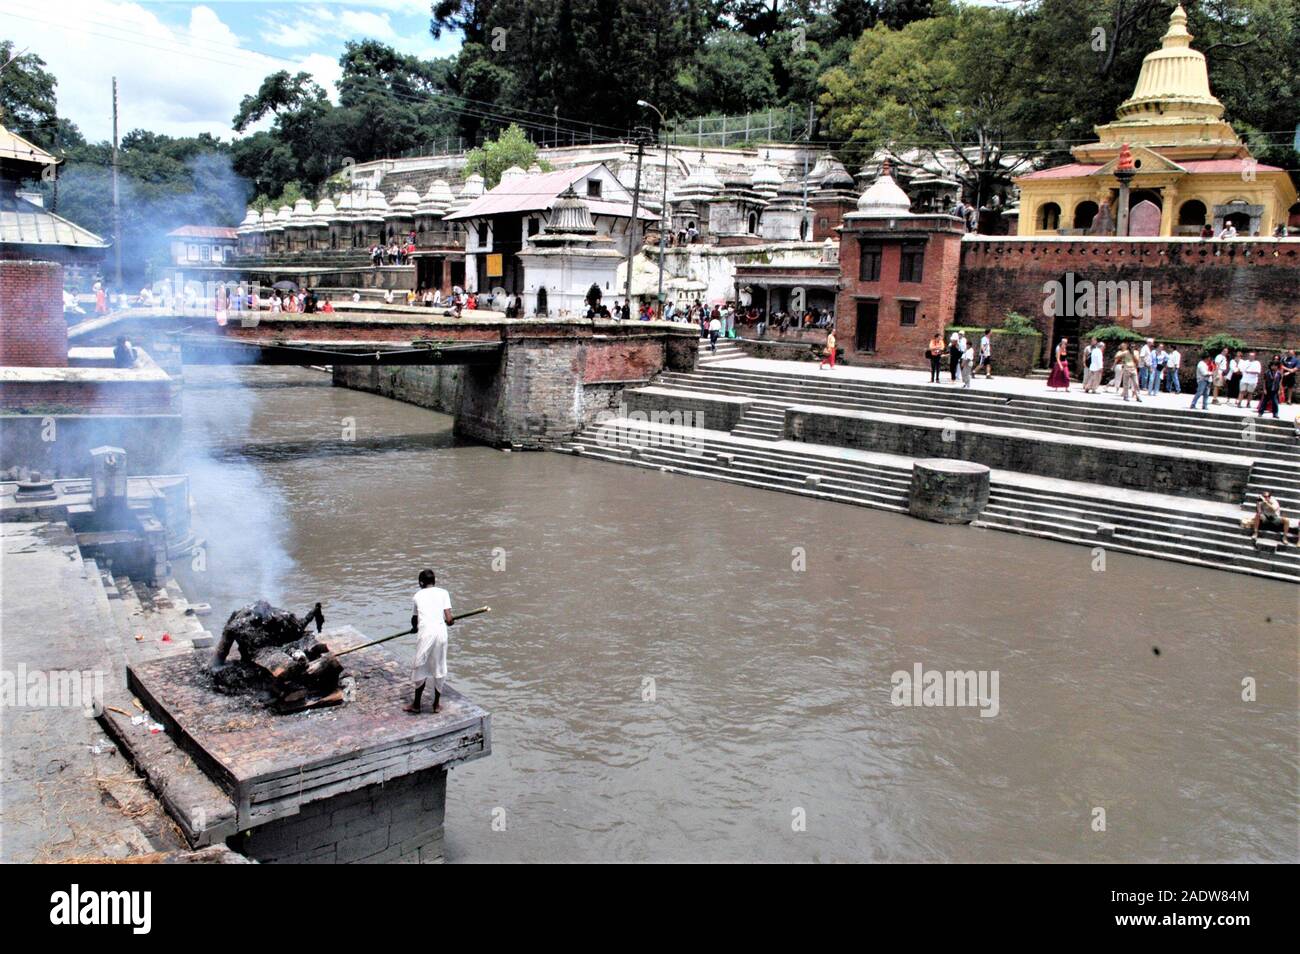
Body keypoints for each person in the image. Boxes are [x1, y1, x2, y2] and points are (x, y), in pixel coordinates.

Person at [406, 569, 455, 714]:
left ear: (421, 582)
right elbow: (449, 619)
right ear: (434, 581)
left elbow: (415, 618)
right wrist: (451, 621)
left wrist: (414, 628)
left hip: (426, 634)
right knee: (439, 666)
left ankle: (416, 705)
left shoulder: (417, 595)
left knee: (420, 666)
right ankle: (436, 705)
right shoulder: (443, 593)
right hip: (441, 634)